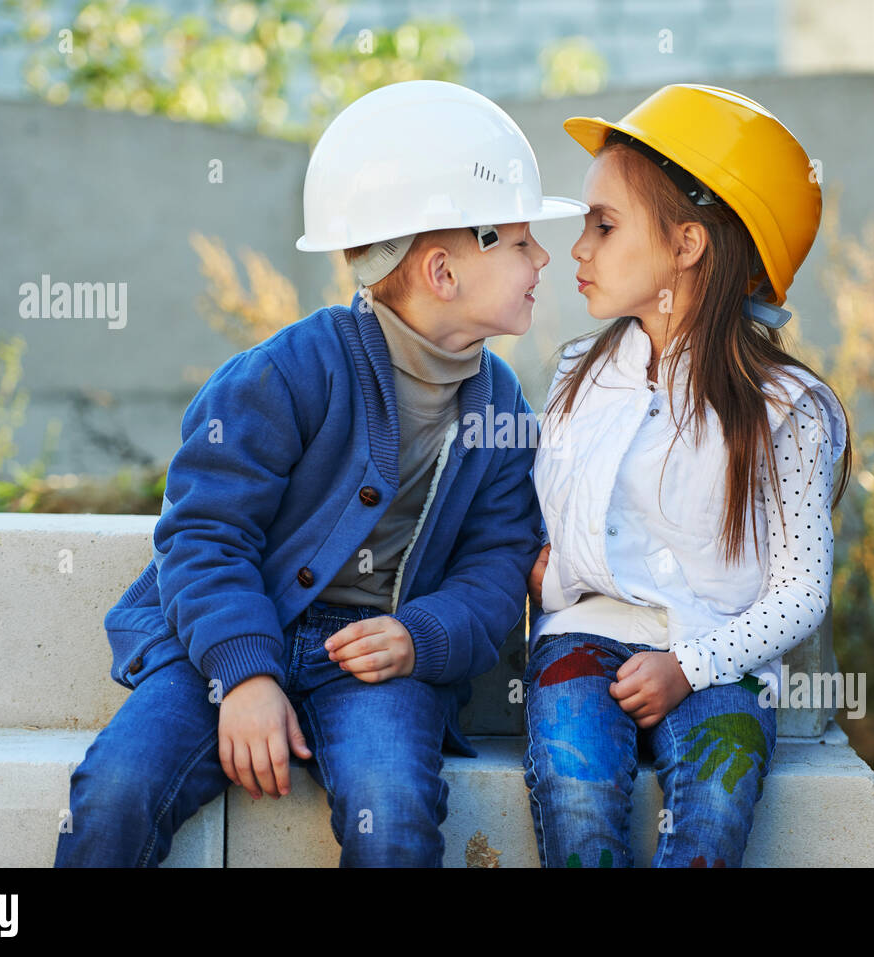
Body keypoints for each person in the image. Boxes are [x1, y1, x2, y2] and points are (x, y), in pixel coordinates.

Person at [54, 80, 587, 867]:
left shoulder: (502, 406)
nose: (542, 255)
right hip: (234, 631)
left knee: (395, 811)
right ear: (442, 272)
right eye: (515, 239)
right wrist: (244, 674)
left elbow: (498, 566)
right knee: (117, 785)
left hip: (377, 663)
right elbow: (204, 532)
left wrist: (420, 636)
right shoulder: (286, 372)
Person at [523, 84, 853, 868]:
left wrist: (690, 668)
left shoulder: (786, 408)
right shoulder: (579, 373)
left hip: (719, 653)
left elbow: (802, 589)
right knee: (575, 795)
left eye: (604, 226)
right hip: (582, 637)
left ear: (689, 244)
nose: (579, 248)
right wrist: (546, 567)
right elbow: (553, 518)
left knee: (715, 804)